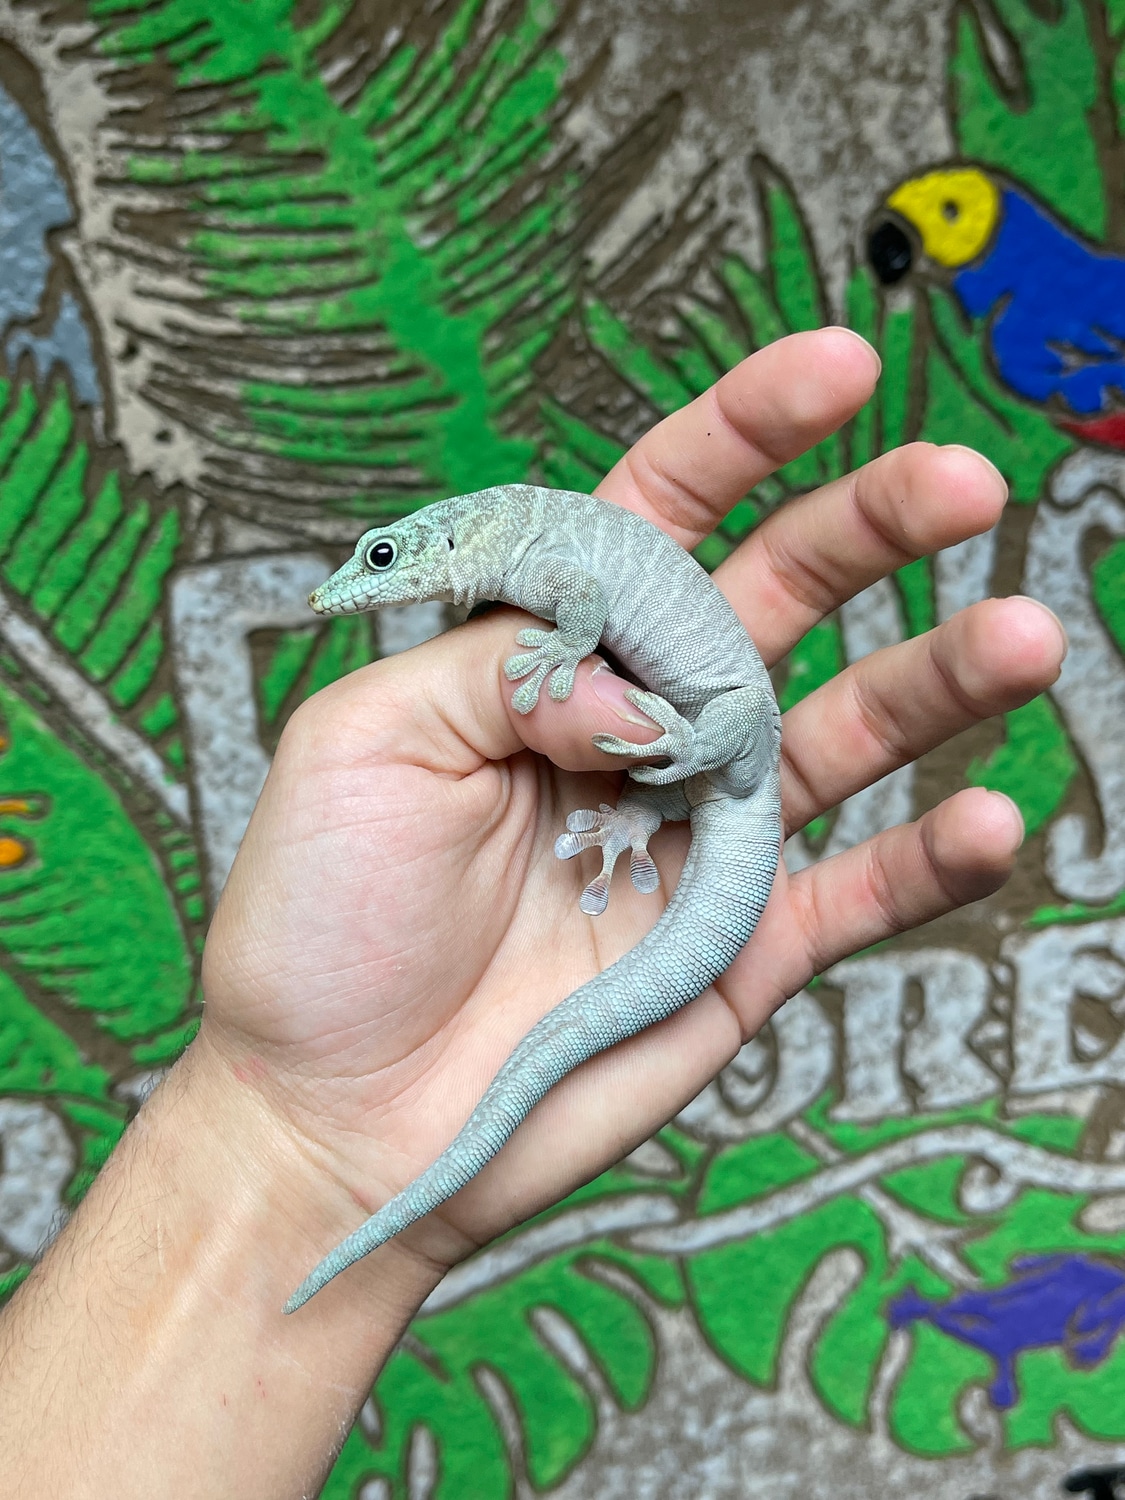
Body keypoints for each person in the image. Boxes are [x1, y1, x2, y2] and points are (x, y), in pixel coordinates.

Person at [0, 330, 1066, 1497]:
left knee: (683, 745)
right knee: (641, 772)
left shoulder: (533, 548)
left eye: (385, 562)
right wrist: (288, 1145)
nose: (362, 585)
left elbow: (592, 604)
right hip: (697, 796)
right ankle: (637, 814)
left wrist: (582, 667)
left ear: (448, 541)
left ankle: (643, 804)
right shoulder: (515, 546)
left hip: (730, 756)